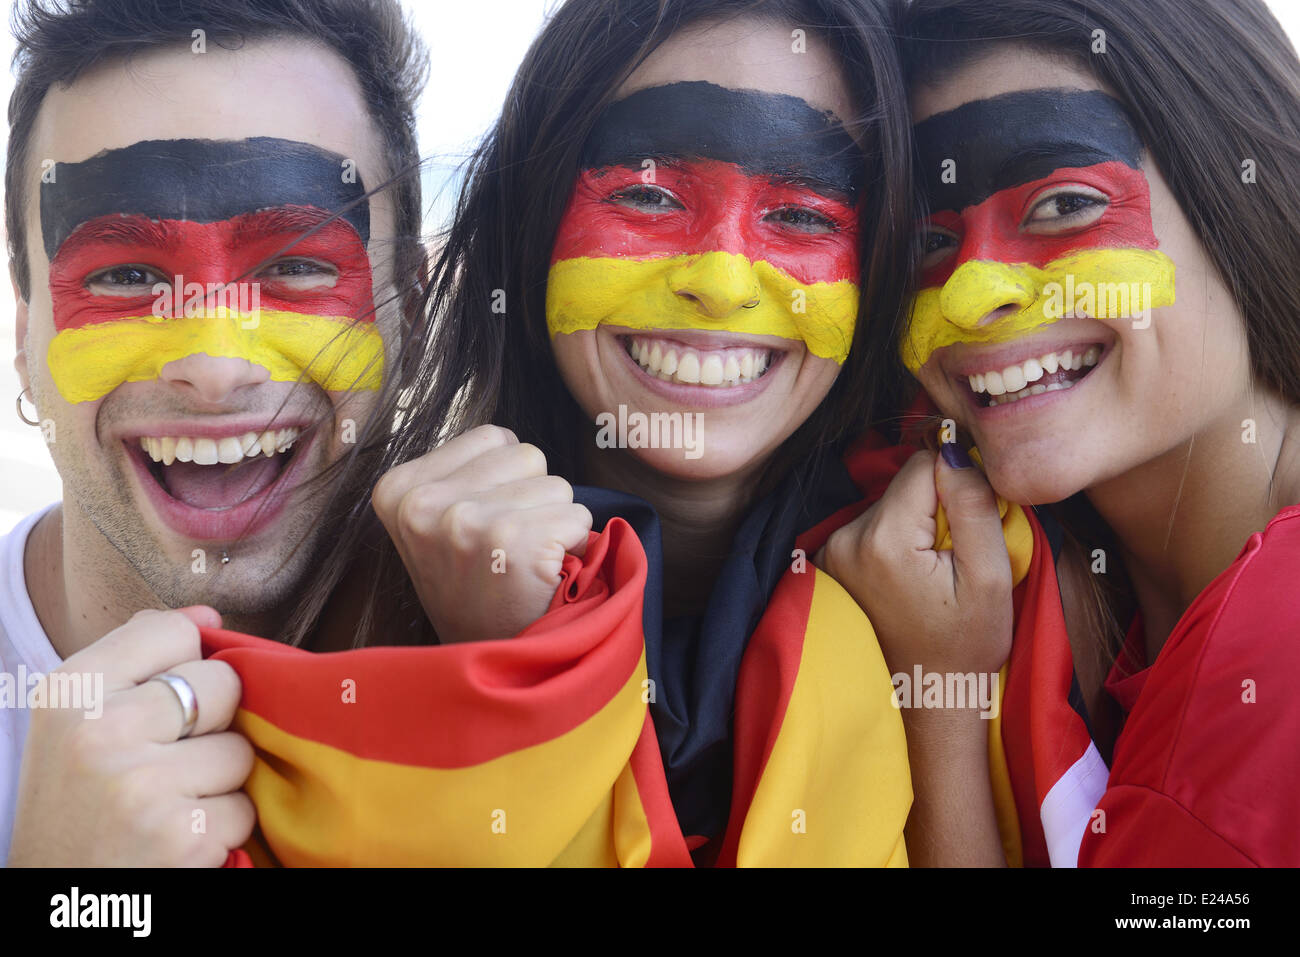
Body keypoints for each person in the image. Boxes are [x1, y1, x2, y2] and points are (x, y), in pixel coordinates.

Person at [826, 0, 1300, 866]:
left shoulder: (1272, 656)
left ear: (1248, 188)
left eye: (1062, 205)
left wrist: (942, 711)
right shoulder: (1084, 588)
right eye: (927, 242)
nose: (969, 295)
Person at [2, 0, 438, 866]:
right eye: (125, 275)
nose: (215, 367)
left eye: (295, 267)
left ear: (412, 311)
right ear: (25, 338)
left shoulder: (513, 632)